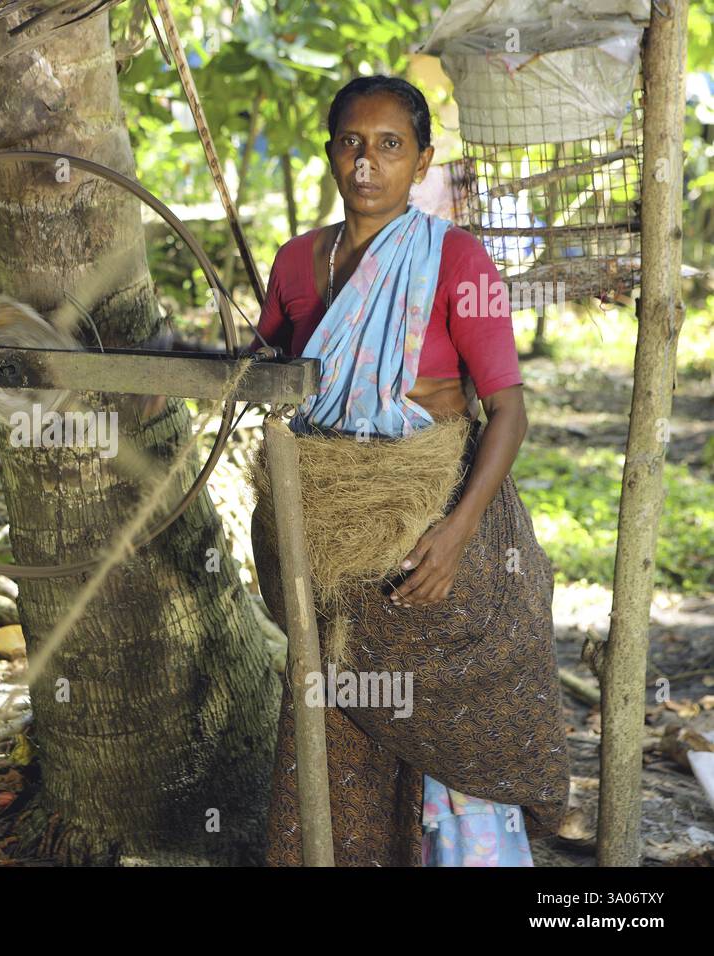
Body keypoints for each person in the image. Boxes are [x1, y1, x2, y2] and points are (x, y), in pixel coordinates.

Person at [249, 75, 569, 866]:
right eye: (351, 143)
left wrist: (456, 536)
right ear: (330, 153)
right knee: (341, 736)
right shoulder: (296, 264)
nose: (367, 162)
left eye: (390, 145)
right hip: (331, 548)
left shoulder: (458, 261)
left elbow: (508, 410)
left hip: (439, 529)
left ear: (422, 160)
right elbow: (267, 377)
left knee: (459, 728)